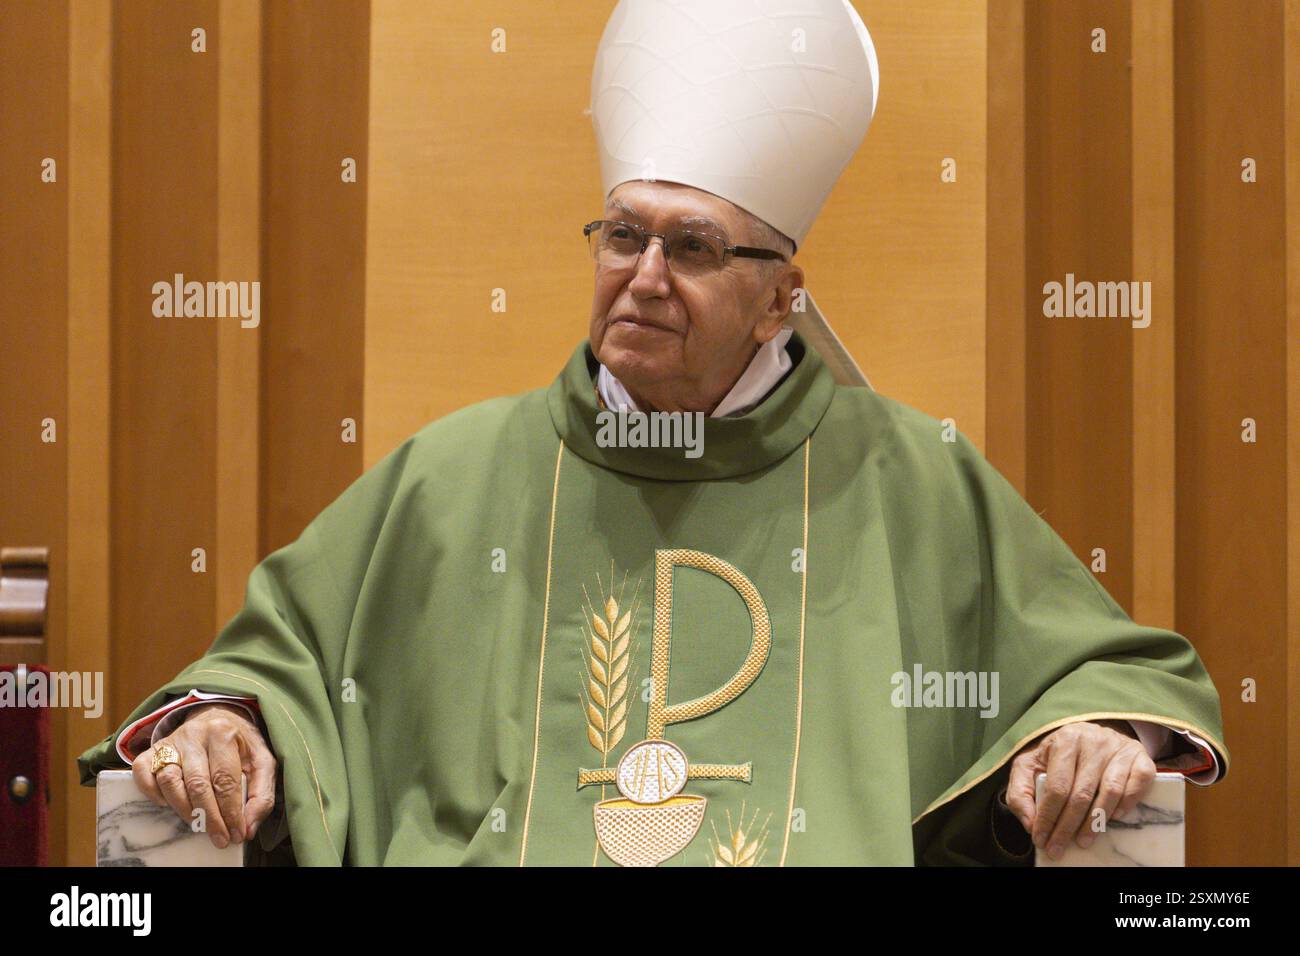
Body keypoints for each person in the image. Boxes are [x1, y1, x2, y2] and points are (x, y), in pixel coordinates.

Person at [78, 0, 1226, 866]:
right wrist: (228, 720)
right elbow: (277, 661)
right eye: (621, 235)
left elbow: (1097, 666)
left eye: (691, 247)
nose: (642, 277)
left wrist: (1090, 730)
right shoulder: (452, 474)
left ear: (783, 295)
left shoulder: (910, 477)